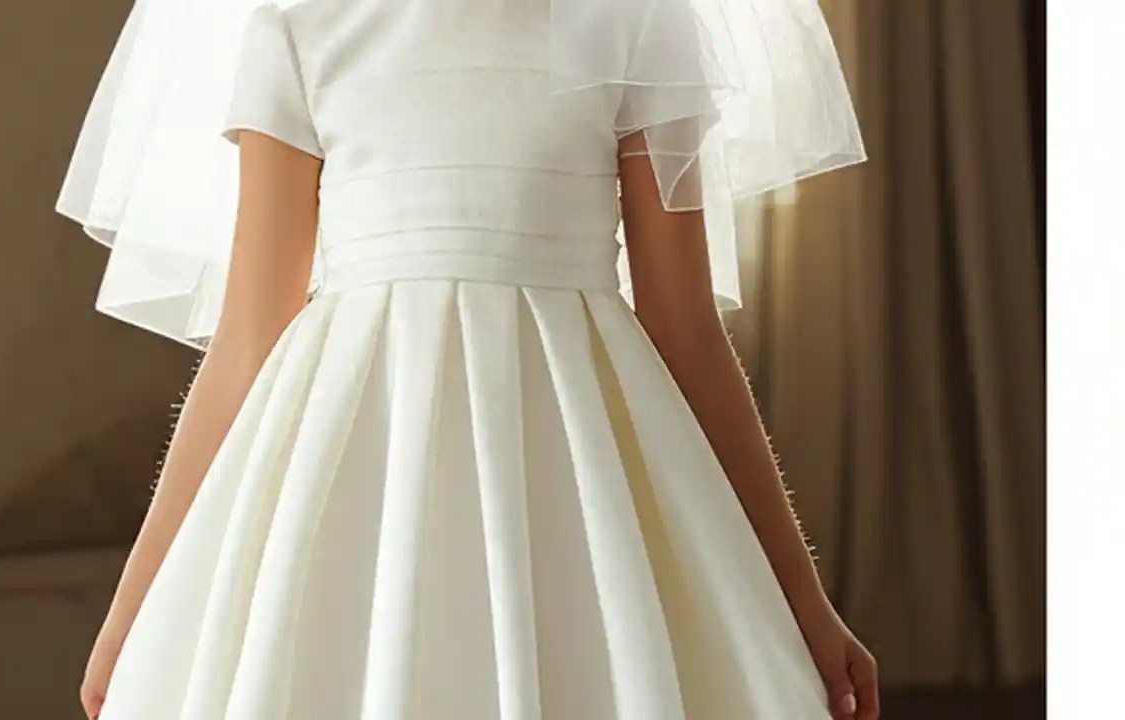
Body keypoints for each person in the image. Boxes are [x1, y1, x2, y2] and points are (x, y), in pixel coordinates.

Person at [58, 0, 877, 718]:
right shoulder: (297, 32)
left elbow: (688, 329)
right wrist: (137, 608)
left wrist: (804, 602)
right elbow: (245, 340)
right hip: (356, 470)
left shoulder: (639, 24)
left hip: (581, 480)